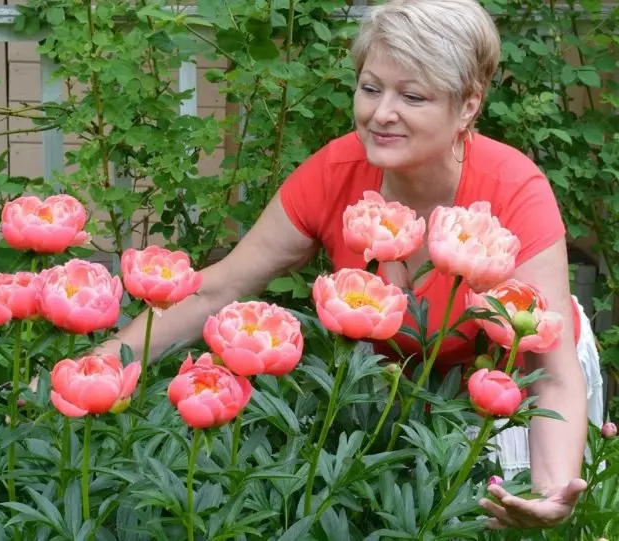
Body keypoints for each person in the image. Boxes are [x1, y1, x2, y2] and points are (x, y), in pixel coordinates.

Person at [96, 0, 596, 529]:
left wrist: (549, 493)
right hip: (394, 389)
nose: (380, 113)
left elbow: (550, 373)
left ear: (468, 106)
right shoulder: (334, 172)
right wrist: (102, 367)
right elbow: (214, 292)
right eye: (371, 87)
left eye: (412, 95)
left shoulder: (514, 190)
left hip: (511, 386)